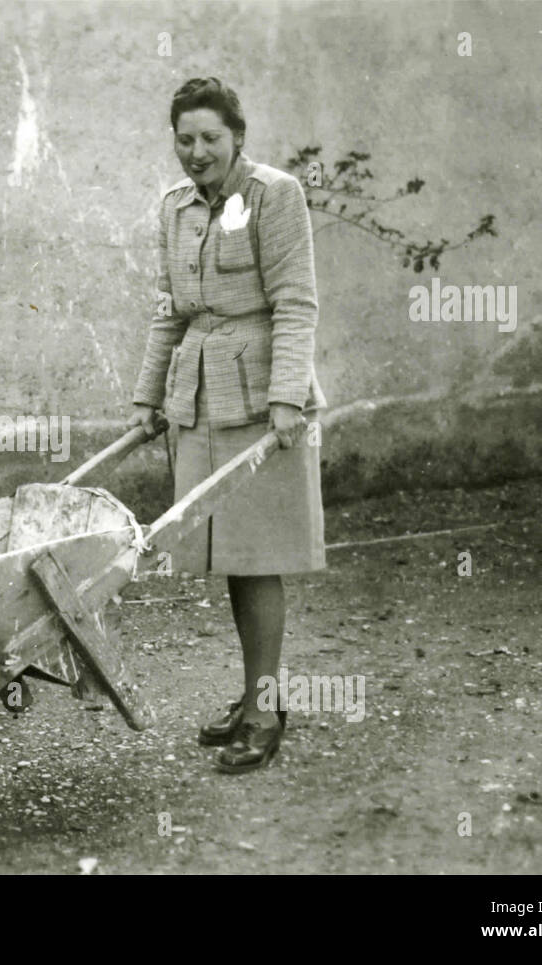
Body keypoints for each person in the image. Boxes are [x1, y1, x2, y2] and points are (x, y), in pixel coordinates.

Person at [127, 77, 327, 774]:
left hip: (260, 401)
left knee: (257, 556)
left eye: (211, 137)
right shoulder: (175, 209)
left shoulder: (276, 195)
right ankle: (252, 699)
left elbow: (296, 302)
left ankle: (265, 711)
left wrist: (287, 399)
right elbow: (168, 309)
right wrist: (147, 398)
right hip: (200, 400)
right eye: (185, 139)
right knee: (228, 559)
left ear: (238, 135)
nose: (197, 152)